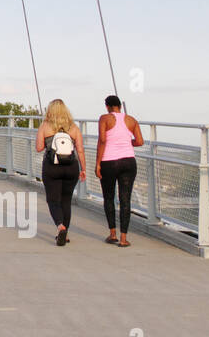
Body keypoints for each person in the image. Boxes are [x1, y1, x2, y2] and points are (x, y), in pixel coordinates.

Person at [35, 99, 86, 246]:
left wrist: (49, 142)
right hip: (71, 167)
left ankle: (60, 226)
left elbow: (39, 148)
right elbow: (80, 150)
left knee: (53, 200)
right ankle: (66, 233)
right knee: (66, 201)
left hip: (52, 167)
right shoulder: (73, 127)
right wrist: (83, 169)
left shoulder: (45, 126)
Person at [95, 94, 143, 247]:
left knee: (109, 197)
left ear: (107, 106)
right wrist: (127, 142)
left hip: (109, 161)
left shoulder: (104, 118)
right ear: (120, 107)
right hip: (128, 161)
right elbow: (140, 141)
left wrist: (98, 164)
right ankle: (123, 239)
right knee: (125, 199)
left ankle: (113, 234)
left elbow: (102, 140)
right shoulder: (131, 120)